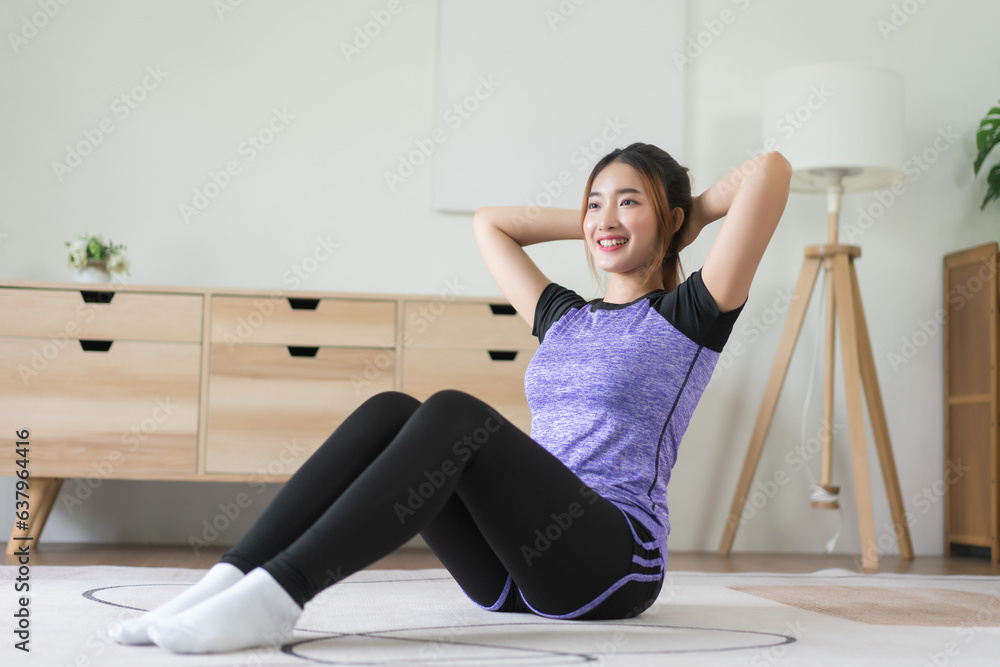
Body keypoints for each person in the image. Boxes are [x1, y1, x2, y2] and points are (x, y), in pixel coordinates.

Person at [109, 142, 792, 655]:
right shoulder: (565, 317)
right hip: (511, 576)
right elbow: (490, 223)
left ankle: (280, 595)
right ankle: (224, 582)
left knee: (457, 412)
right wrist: (599, 216)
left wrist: (687, 219)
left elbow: (771, 172)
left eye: (629, 201)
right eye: (594, 201)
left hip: (609, 564)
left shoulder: (689, 314)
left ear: (668, 218)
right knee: (392, 410)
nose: (605, 218)